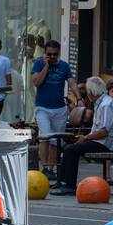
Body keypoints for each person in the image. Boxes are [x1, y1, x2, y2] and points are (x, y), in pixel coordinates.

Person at [54, 78, 113, 195]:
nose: (87, 94)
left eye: (88, 91)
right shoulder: (100, 104)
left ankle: (69, 185)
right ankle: (63, 182)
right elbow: (97, 130)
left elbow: (104, 132)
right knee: (68, 146)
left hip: (107, 144)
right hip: (101, 141)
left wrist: (86, 138)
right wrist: (84, 137)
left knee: (71, 149)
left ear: (92, 92)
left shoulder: (106, 105)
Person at [31, 39, 78, 178]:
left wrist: (79, 98)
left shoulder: (64, 66)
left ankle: (50, 168)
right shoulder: (39, 64)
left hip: (59, 109)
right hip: (42, 107)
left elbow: (71, 83)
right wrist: (45, 66)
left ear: (58, 54)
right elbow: (37, 82)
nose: (52, 57)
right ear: (45, 53)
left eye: (54, 55)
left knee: (55, 141)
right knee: (45, 136)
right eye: (49, 54)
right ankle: (44, 167)